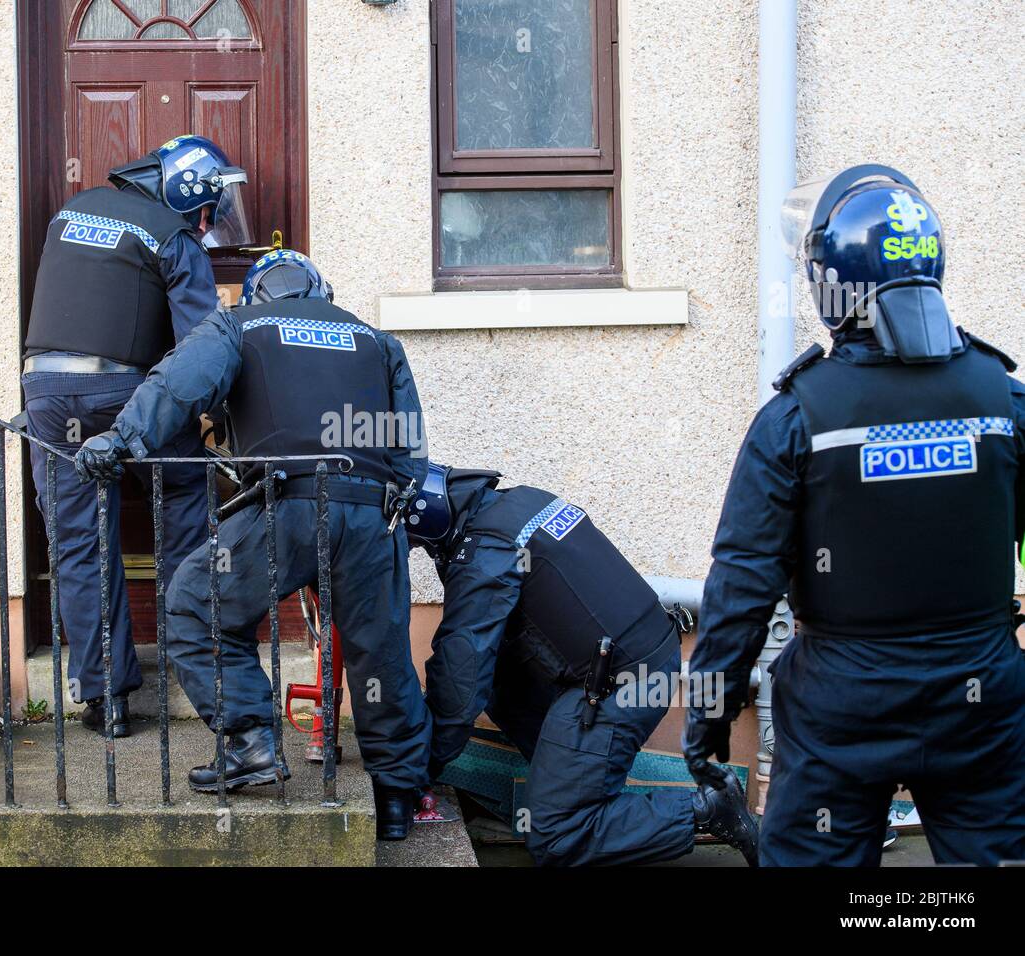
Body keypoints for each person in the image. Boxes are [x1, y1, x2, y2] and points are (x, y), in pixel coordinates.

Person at [684, 165, 1025, 866]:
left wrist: (709, 717)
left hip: (844, 703)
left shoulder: (796, 417)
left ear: (829, 284)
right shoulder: (1005, 402)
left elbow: (742, 587)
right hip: (984, 698)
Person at [74, 250, 433, 840]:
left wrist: (120, 440)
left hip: (288, 505)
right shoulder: (377, 341)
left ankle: (251, 745)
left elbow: (178, 387)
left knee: (195, 604)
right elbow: (410, 450)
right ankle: (397, 798)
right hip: (372, 512)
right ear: (319, 290)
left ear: (260, 293)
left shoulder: (238, 325)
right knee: (382, 655)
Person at [407, 464, 759, 866]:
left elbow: (458, 681)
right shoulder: (518, 502)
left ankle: (709, 808)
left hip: (619, 681)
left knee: (555, 837)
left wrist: (417, 772)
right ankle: (575, 788)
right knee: (497, 681)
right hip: (635, 660)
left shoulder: (488, 550)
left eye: (411, 539)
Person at [23, 135, 252, 737]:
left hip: (45, 395)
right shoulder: (173, 237)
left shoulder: (68, 213)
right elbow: (202, 349)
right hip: (126, 396)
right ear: (185, 193)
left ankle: (106, 700)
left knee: (77, 540)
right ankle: (189, 654)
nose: (207, 226)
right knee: (183, 494)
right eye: (209, 212)